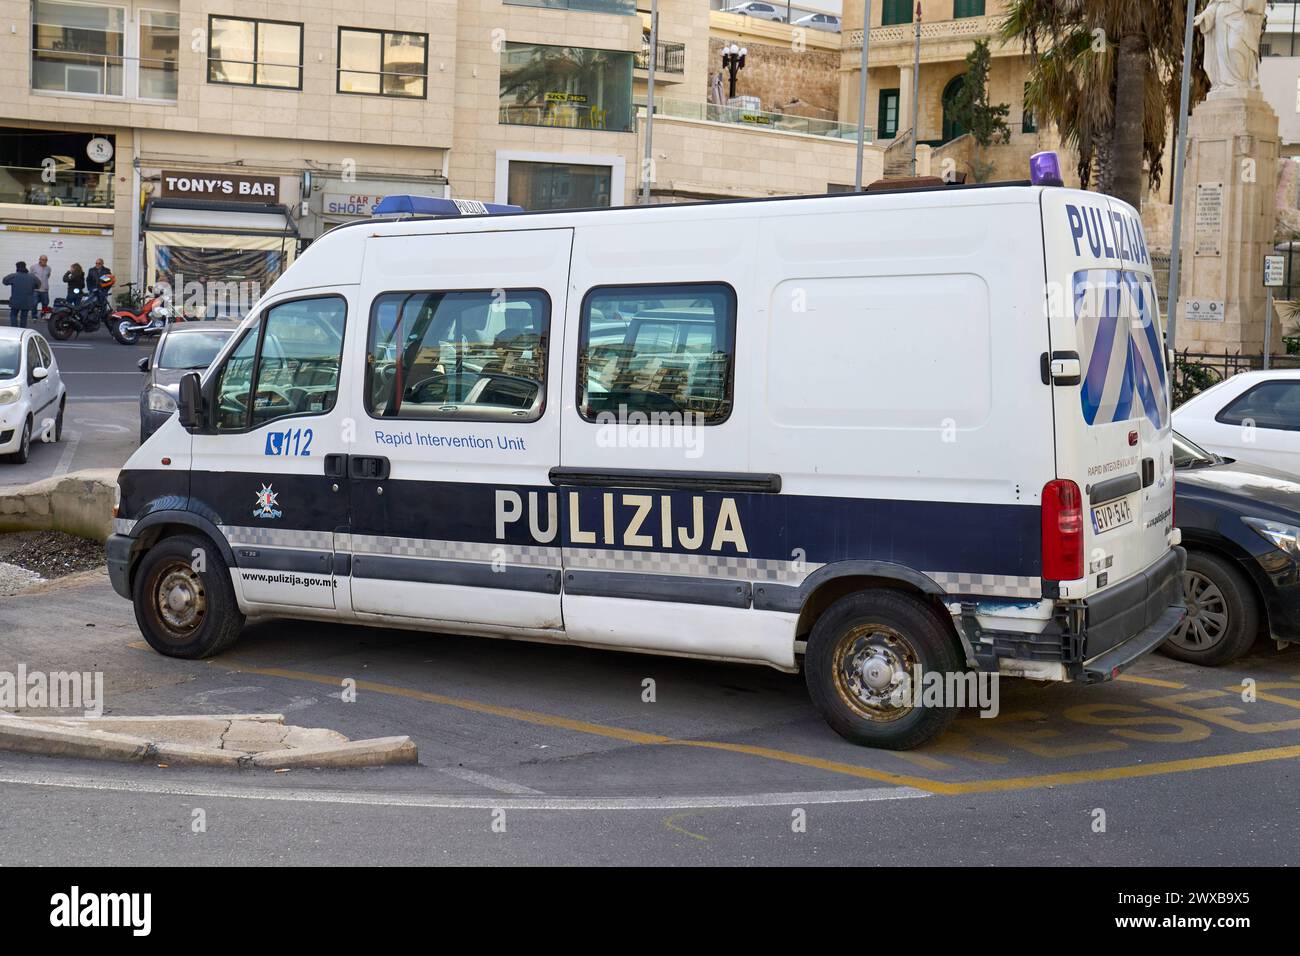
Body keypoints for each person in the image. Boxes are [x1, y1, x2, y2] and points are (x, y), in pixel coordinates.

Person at [3, 261, 40, 328]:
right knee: (24, 317)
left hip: (15, 301)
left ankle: (14, 330)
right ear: (25, 267)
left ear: (17, 267)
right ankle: (22, 331)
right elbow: (38, 285)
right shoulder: (32, 277)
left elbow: (5, 281)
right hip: (27, 301)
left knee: (13, 315)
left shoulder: (13, 276)